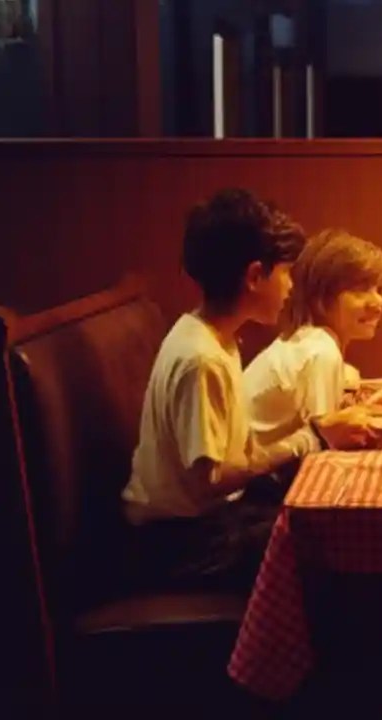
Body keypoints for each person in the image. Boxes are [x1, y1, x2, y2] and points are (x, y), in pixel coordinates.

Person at [121, 188, 315, 589]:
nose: (291, 287)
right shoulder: (201, 359)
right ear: (255, 276)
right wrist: (302, 441)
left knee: (309, 509)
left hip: (202, 522)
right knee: (311, 542)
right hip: (176, 541)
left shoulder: (214, 336)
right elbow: (208, 481)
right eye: (286, 273)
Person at [245, 228, 382, 450]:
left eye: (379, 289)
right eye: (360, 290)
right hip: (256, 480)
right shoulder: (320, 350)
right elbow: (328, 443)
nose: (378, 303)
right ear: (321, 297)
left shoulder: (309, 339)